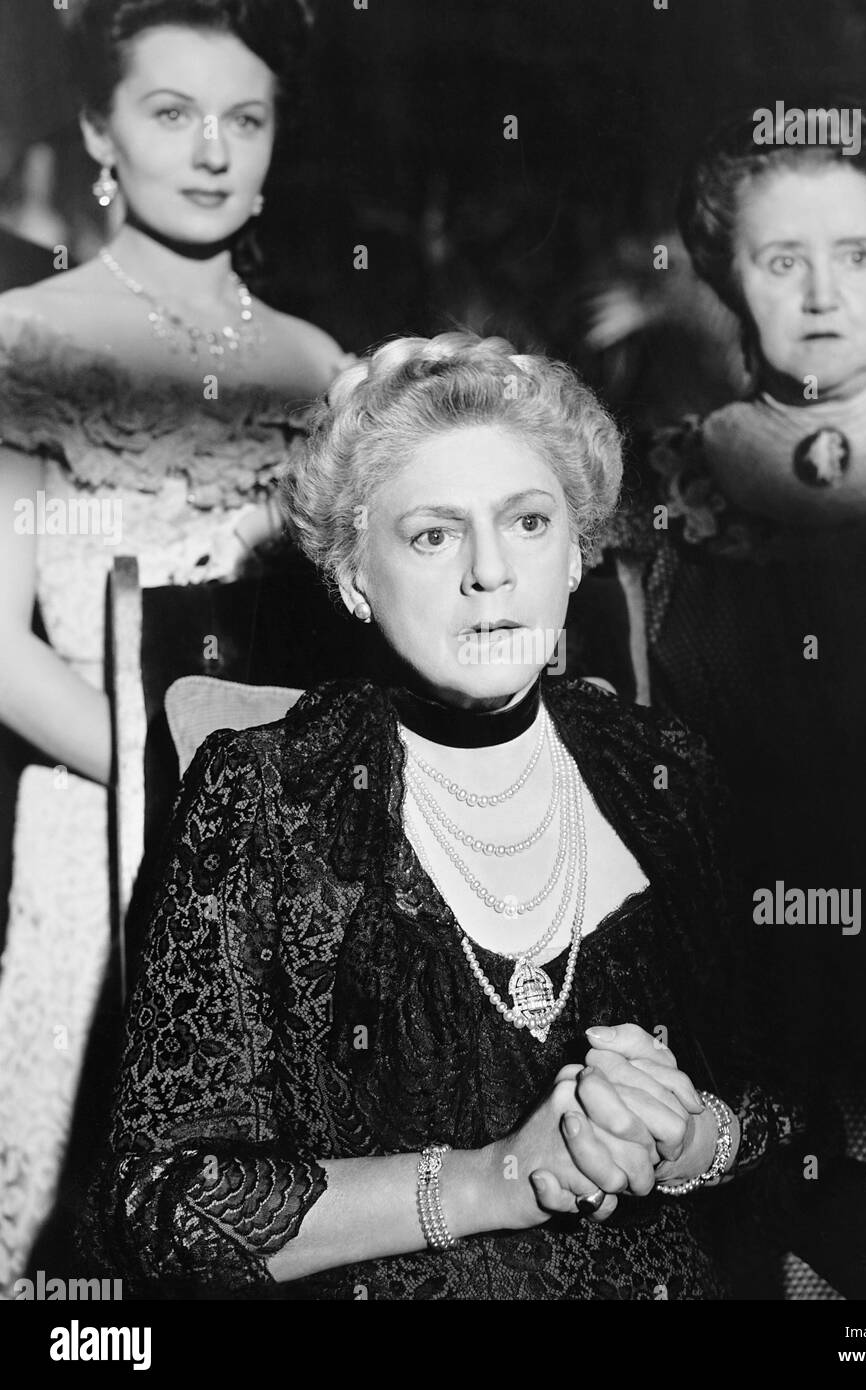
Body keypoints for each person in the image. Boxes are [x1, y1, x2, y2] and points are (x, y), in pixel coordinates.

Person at [80, 332, 866, 1300]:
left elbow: (793, 1124)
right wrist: (495, 1177)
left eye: (529, 522)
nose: (489, 571)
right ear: (352, 576)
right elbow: (160, 1209)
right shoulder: (262, 791)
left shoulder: (666, 770)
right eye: (433, 535)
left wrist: (688, 1137)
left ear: (579, 550)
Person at [603, 100, 866, 1290]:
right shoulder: (644, 494)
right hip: (729, 1004)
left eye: (856, 254)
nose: (822, 293)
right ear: (728, 276)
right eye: (782, 260)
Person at [0, 0, 351, 1294]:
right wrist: (177, 789)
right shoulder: (25, 344)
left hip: (294, 849)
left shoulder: (321, 367)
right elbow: (0, 651)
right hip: (102, 826)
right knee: (84, 1225)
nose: (210, 150)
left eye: (243, 118)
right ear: (99, 132)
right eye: (168, 111)